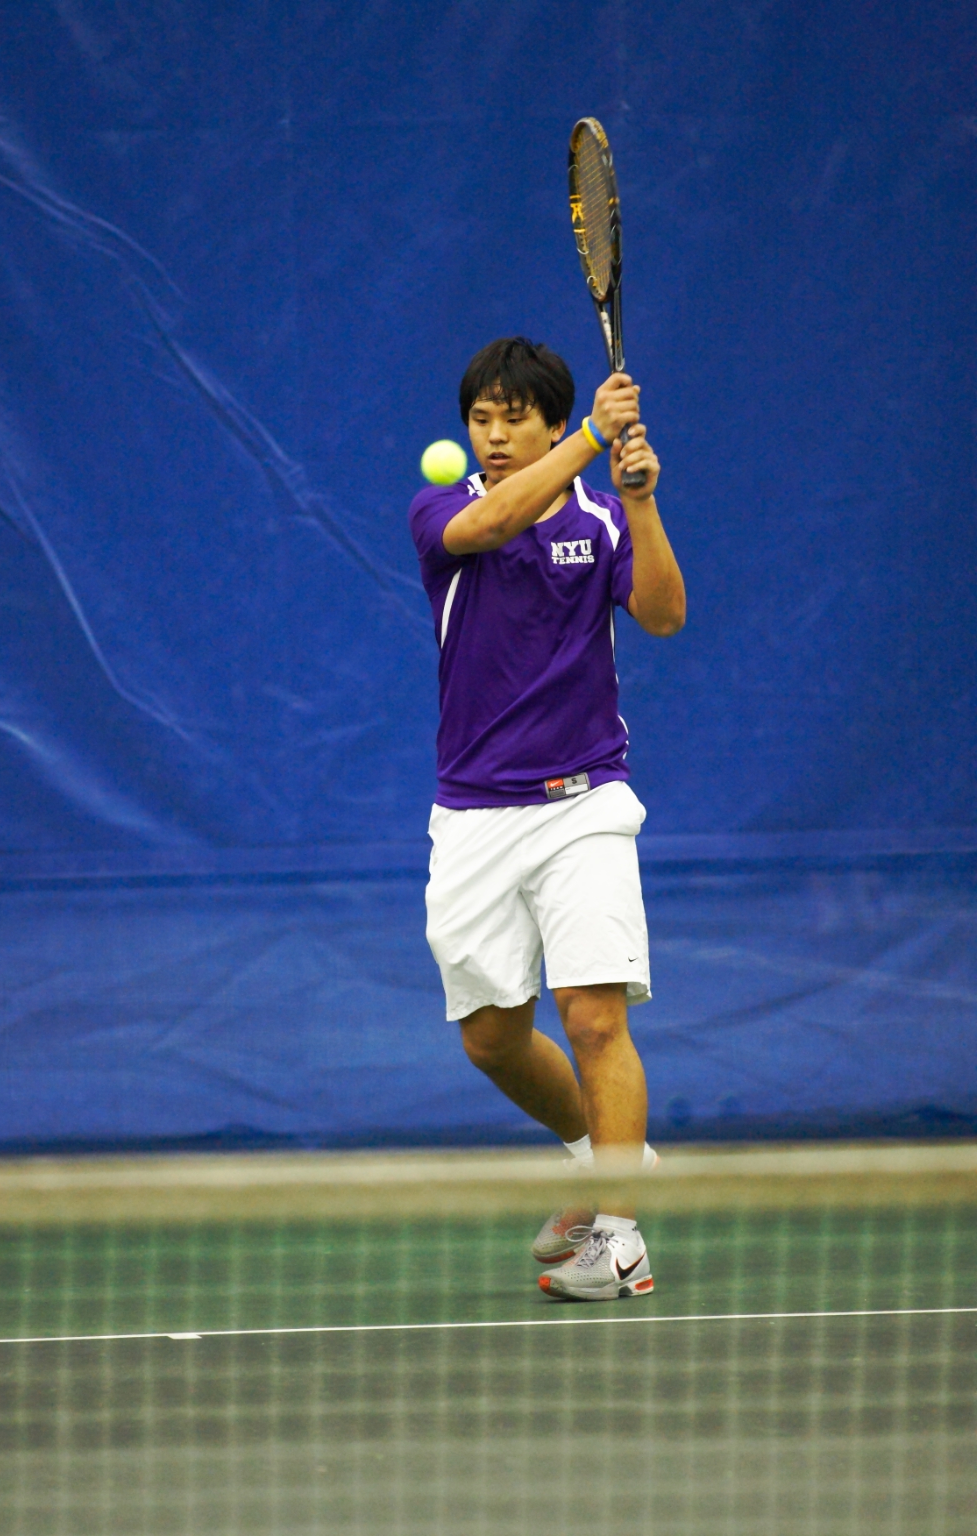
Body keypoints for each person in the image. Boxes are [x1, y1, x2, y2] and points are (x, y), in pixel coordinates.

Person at [408, 336, 686, 1301]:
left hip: (585, 802)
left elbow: (662, 615)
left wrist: (640, 502)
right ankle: (599, 1156)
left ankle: (619, 1235)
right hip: (476, 814)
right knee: (490, 1035)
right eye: (480, 419)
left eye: (512, 418)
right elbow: (493, 523)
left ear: (551, 420)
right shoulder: (443, 511)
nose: (492, 436)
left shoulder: (602, 522)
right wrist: (589, 446)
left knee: (594, 1017)